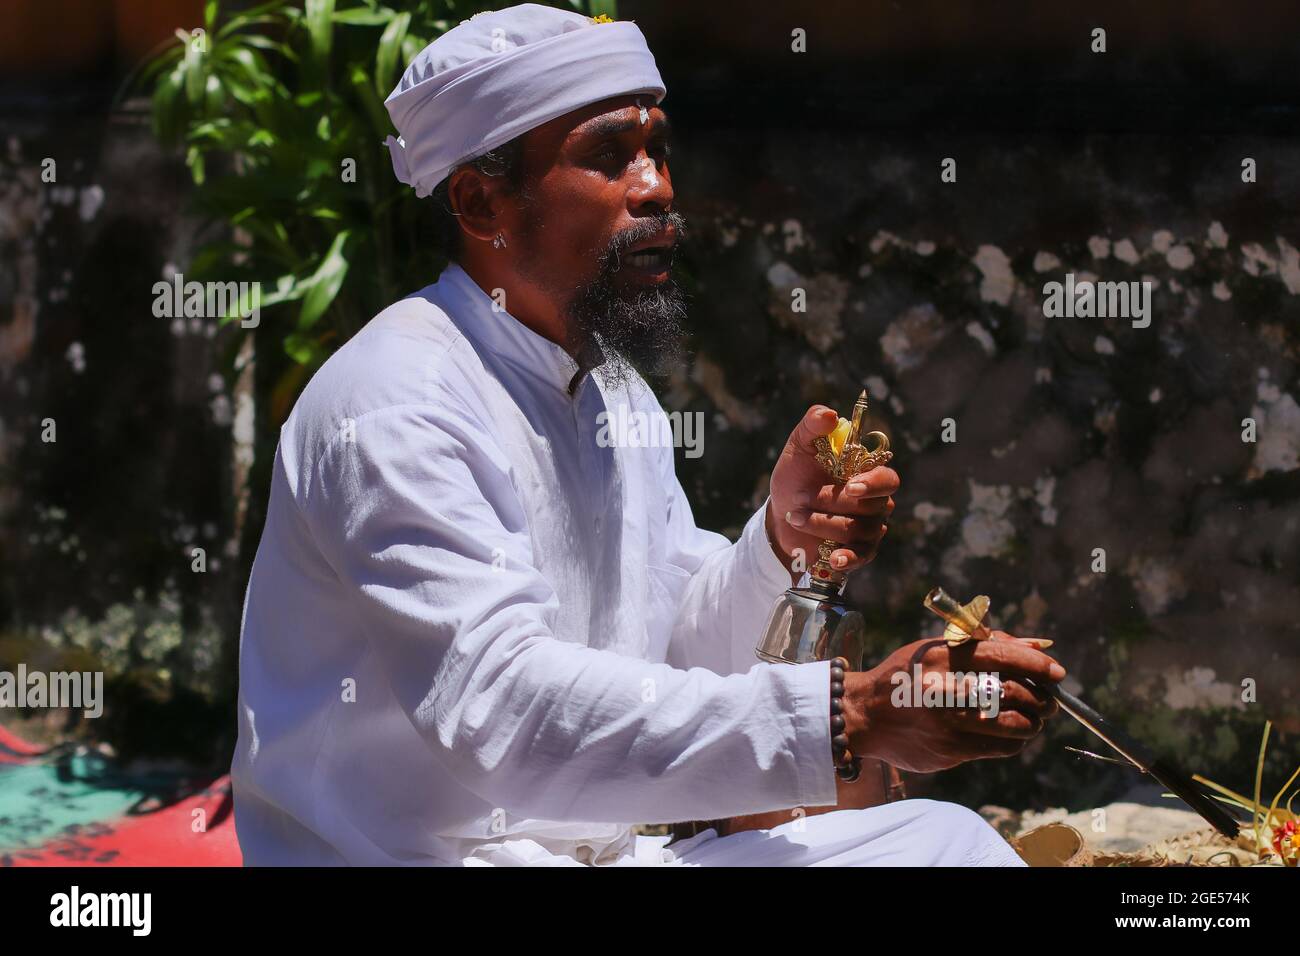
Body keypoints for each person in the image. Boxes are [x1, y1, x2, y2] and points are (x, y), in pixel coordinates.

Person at [231, 3, 1062, 866]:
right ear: (482, 203)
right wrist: (850, 713)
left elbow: (670, 651)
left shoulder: (614, 396)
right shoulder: (395, 401)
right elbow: (503, 713)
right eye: (606, 156)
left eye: (656, 149)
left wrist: (781, 547)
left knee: (945, 846)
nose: (656, 186)